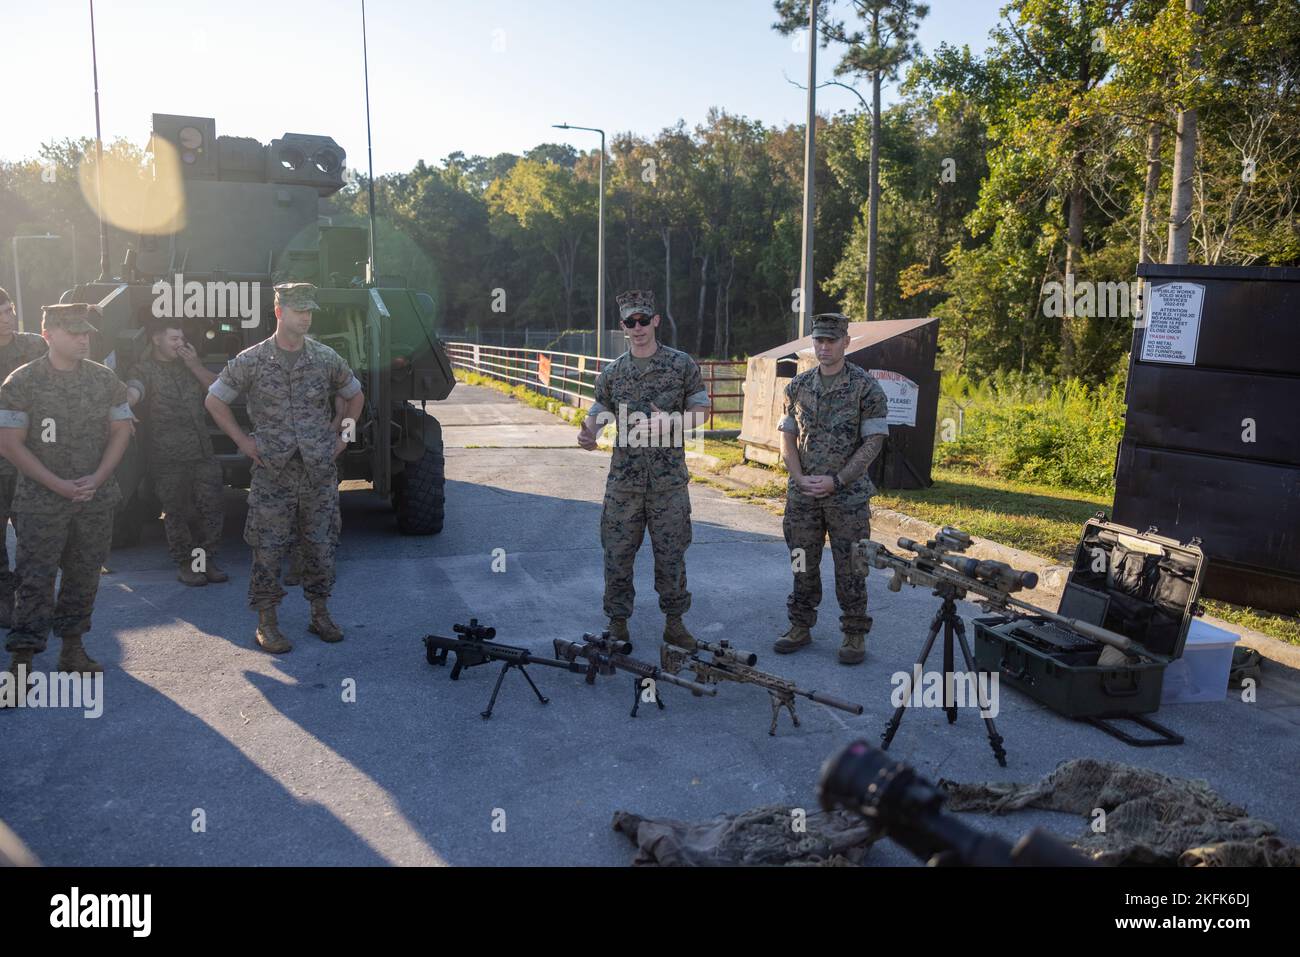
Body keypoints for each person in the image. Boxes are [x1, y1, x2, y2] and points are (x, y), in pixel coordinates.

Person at [204, 283, 363, 654]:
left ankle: (320, 614)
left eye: (310, 311)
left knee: (321, 545)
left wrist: (344, 436)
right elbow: (214, 400)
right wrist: (243, 442)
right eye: (298, 311)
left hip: (318, 473)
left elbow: (355, 395)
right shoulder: (252, 360)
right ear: (279, 313)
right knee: (268, 548)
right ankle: (267, 622)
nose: (306, 317)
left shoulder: (325, 358)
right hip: (273, 473)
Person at [0, 303, 133, 687]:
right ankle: (22, 662)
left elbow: (122, 430)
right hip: (41, 502)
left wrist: (98, 477)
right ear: (48, 335)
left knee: (84, 574)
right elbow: (10, 444)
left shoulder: (104, 380)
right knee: (34, 579)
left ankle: (72, 649)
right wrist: (56, 484)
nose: (82, 339)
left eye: (86, 332)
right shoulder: (21, 382)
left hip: (94, 497)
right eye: (73, 332)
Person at [576, 289, 710, 649]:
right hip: (624, 483)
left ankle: (675, 623)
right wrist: (589, 433)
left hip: (668, 484)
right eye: (630, 322)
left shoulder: (681, 364)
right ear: (623, 326)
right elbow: (600, 410)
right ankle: (618, 623)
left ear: (655, 321)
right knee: (617, 555)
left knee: (671, 556)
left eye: (643, 320)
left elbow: (702, 409)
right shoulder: (613, 372)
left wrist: (673, 423)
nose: (638, 328)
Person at [774, 313, 889, 665]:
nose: (824, 347)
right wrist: (797, 477)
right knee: (801, 561)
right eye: (819, 340)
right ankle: (800, 625)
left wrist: (838, 480)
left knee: (851, 566)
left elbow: (873, 443)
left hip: (847, 498)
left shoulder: (865, 388)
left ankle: (854, 633)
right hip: (803, 496)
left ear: (846, 343)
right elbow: (787, 438)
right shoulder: (797, 386)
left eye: (831, 341)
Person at [125, 319, 227, 586]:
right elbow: (136, 388)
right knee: (178, 511)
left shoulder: (189, 366)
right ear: (156, 339)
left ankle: (205, 561)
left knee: (212, 507)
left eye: (181, 339)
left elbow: (218, 389)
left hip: (201, 450)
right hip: (167, 455)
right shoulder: (144, 369)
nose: (179, 344)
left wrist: (194, 365)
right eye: (173, 339)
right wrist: (127, 402)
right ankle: (186, 565)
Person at [0, 287, 48, 627]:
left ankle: (32, 598)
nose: (6, 319)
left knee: (35, 534)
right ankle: (4, 603)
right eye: (0, 313)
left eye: (9, 310)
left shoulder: (34, 346)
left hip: (29, 460)